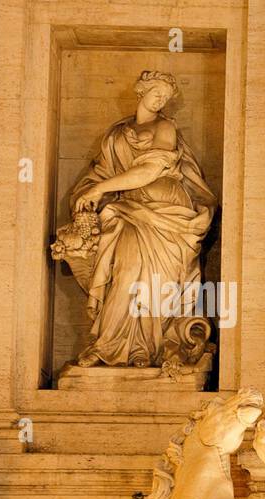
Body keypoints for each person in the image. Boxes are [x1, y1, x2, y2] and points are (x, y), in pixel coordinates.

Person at [66, 70, 217, 368]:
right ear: (141, 91)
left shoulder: (165, 128)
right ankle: (109, 345)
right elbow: (100, 174)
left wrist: (100, 189)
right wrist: (89, 193)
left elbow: (148, 172)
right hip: (131, 212)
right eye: (156, 93)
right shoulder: (115, 135)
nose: (160, 100)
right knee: (127, 270)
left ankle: (147, 349)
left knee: (156, 282)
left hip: (167, 214)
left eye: (165, 97)